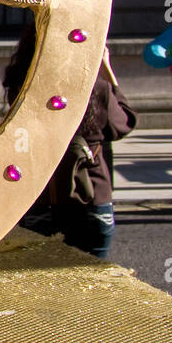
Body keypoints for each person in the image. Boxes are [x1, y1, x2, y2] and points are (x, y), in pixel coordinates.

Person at [44, 49, 136, 259]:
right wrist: (107, 71)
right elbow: (124, 123)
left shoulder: (29, 89)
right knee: (94, 276)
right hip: (93, 194)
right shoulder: (97, 89)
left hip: (46, 197)